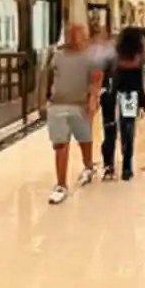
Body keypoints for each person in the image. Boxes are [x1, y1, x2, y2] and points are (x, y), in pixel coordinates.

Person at [45, 24, 102, 204]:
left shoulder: (90, 57)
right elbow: (46, 79)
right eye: (72, 35)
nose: (76, 38)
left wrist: (93, 97)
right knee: (60, 144)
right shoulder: (56, 55)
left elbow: (96, 78)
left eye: (80, 35)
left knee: (84, 140)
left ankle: (88, 166)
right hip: (58, 105)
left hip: (81, 105)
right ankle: (61, 184)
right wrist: (43, 101)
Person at [102, 27, 145, 181]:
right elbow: (140, 81)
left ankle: (109, 165)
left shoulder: (113, 55)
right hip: (130, 95)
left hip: (111, 95)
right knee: (128, 131)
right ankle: (127, 167)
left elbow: (105, 76)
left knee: (110, 131)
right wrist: (143, 99)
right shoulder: (139, 57)